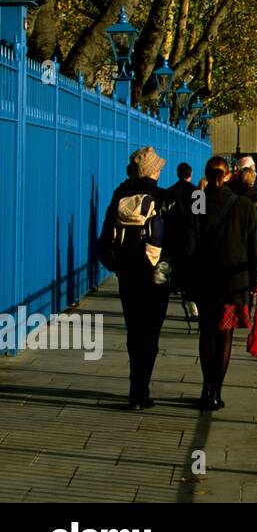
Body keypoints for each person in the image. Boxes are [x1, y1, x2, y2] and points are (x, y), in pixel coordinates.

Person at [97, 146, 168, 410]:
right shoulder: (161, 196)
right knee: (151, 333)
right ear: (155, 171)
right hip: (155, 275)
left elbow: (106, 235)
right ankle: (142, 390)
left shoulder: (120, 193)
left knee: (134, 330)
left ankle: (134, 388)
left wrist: (115, 265)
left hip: (127, 273)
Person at [189, 156, 257, 411]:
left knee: (206, 333)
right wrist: (255, 280)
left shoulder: (198, 201)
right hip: (234, 280)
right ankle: (216, 393)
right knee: (225, 336)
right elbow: (253, 246)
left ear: (207, 175)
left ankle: (205, 388)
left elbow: (191, 240)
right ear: (228, 174)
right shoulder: (243, 205)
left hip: (204, 279)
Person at [161, 163, 201, 319]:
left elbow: (164, 215)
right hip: (190, 237)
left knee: (173, 268)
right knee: (191, 271)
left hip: (172, 236)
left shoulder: (168, 192)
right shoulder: (197, 193)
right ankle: (191, 299)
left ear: (177, 173)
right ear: (190, 174)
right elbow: (200, 218)